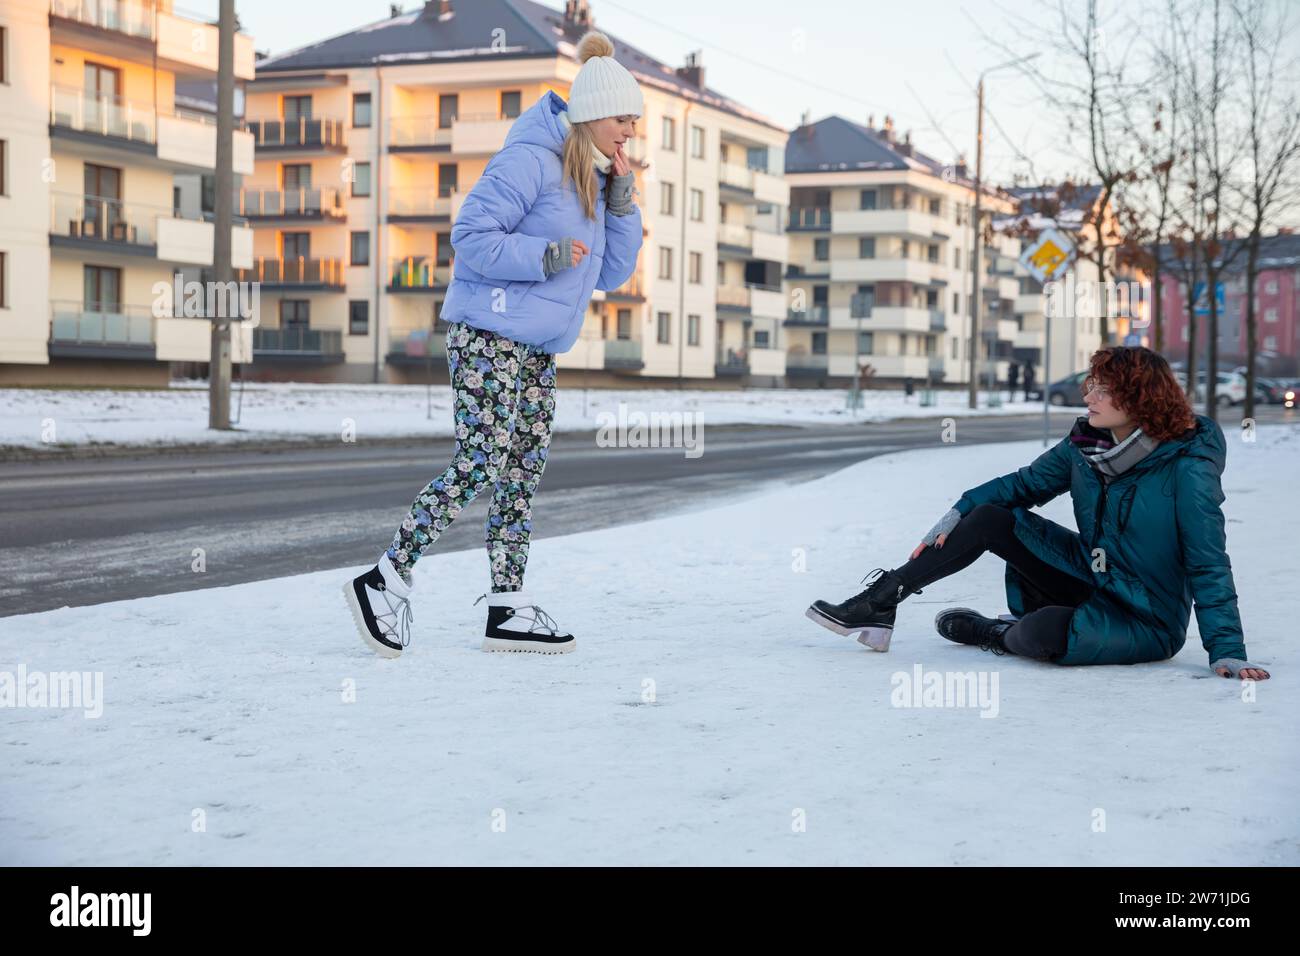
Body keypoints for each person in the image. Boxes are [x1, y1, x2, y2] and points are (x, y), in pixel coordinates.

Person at [345, 31, 644, 658]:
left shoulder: (591, 179)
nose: (631, 133)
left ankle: (505, 606)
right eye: (624, 119)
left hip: (536, 349)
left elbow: (612, 275)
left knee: (520, 472)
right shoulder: (529, 160)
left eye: (635, 122)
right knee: (482, 459)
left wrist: (622, 204)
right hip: (488, 334)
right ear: (593, 114)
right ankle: (386, 576)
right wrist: (546, 255)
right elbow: (471, 238)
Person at [805, 346, 1270, 681]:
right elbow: (1023, 485)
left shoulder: (1187, 466)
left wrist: (1227, 650)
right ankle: (881, 603)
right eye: (1091, 386)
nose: (1089, 398)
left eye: (1102, 390)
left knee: (1042, 633)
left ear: (1137, 399)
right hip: (1092, 578)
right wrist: (960, 508)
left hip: (1144, 619)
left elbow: (1208, 559)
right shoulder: (1084, 447)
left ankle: (993, 633)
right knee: (990, 515)